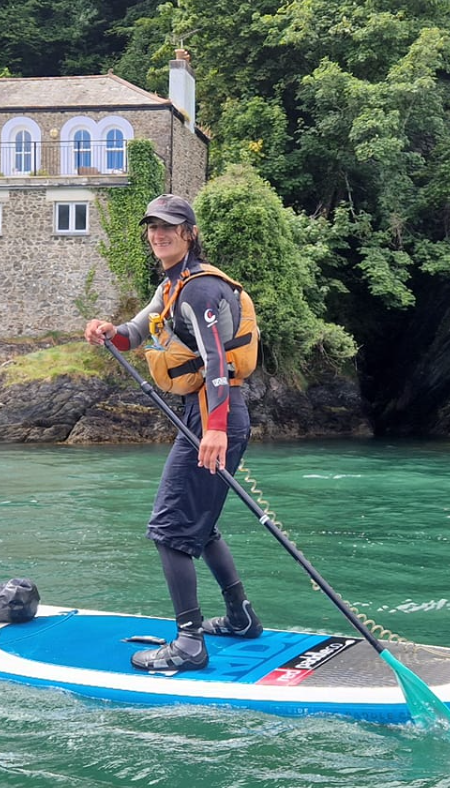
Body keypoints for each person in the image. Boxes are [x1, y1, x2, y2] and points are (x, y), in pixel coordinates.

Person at [83, 193, 262, 672]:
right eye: (153, 227)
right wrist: (108, 332)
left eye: (169, 226)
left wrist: (216, 431)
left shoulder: (199, 289)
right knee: (198, 528)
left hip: (213, 416)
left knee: (168, 529)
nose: (158, 234)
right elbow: (135, 334)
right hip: (204, 417)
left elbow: (217, 363)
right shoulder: (171, 287)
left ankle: (188, 643)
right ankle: (241, 618)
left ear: (189, 233)